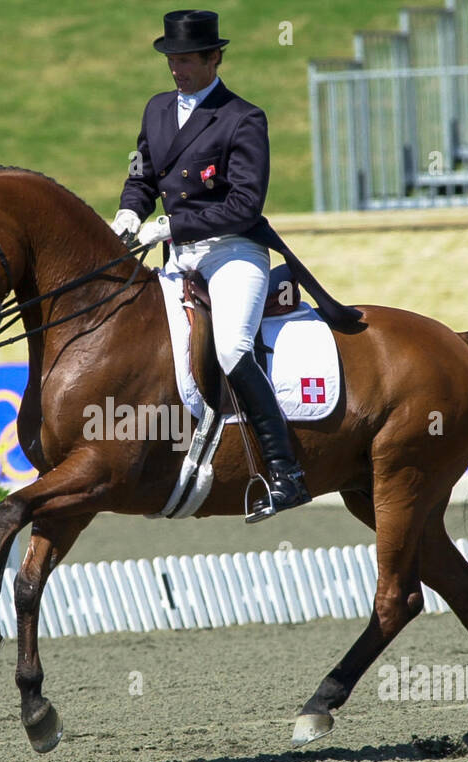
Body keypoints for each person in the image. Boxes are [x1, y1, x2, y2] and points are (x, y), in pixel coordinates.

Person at [111, 10, 320, 521]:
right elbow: (142, 173)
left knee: (232, 348)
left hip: (232, 252)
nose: (177, 70)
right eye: (171, 60)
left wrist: (172, 226)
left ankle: (285, 473)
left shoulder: (243, 118)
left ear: (214, 58)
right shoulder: (157, 110)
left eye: (186, 60)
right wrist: (127, 214)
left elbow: (245, 204)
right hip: (179, 257)